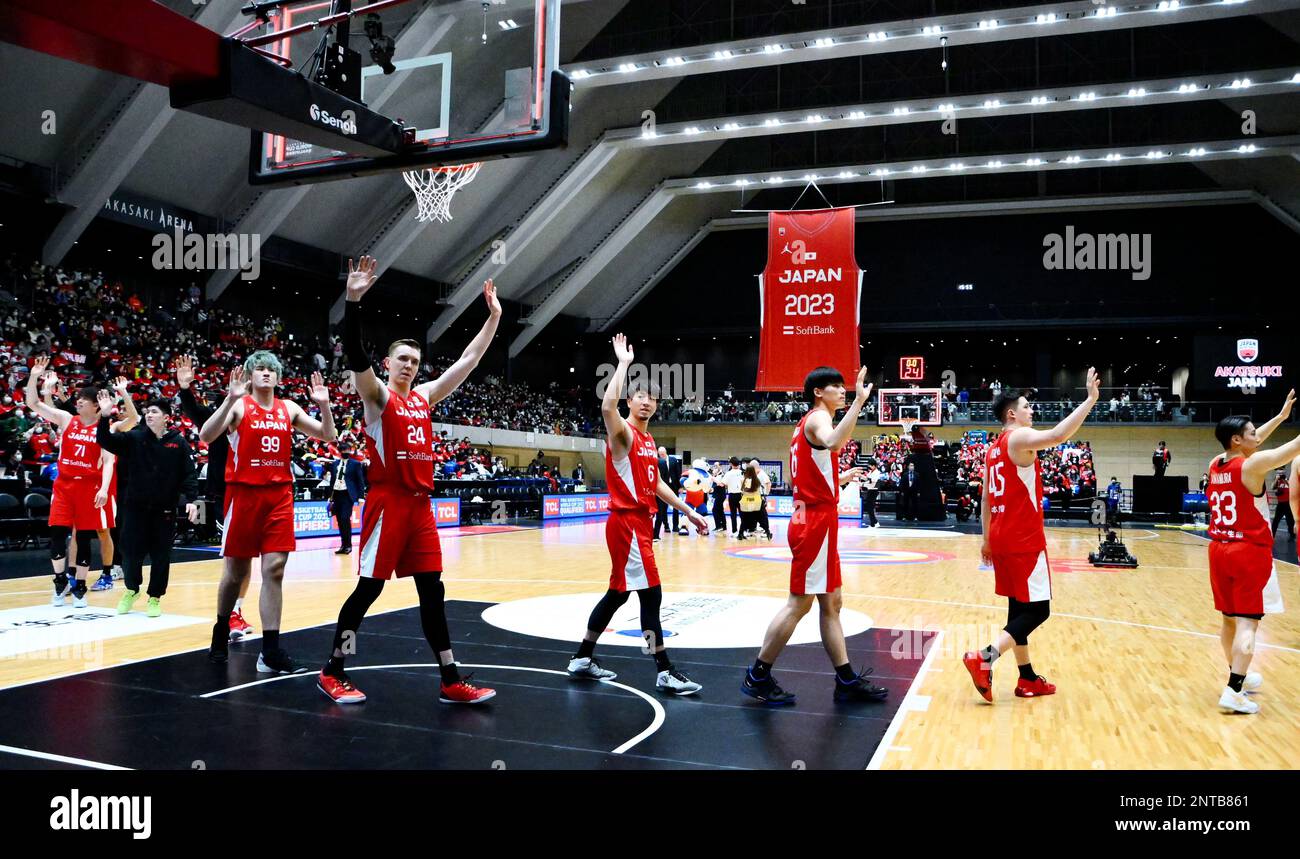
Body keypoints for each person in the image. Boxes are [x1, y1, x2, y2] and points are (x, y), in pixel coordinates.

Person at [318, 256, 499, 705]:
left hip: (420, 507)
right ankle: (332, 669)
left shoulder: (423, 396)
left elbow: (470, 359)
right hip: (388, 502)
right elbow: (356, 355)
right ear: (388, 362)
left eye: (416, 361)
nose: (410, 366)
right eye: (402, 359)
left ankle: (450, 676)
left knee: (432, 590)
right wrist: (354, 300)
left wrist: (493, 316)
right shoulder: (377, 397)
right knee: (369, 588)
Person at [564, 334, 709, 695]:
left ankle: (582, 657)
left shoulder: (647, 442)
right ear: (630, 400)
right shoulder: (624, 434)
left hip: (639, 524)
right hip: (627, 523)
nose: (647, 403)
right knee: (651, 595)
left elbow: (657, 482)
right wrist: (624, 364)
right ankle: (664, 669)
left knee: (618, 595)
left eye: (653, 399)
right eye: (641, 396)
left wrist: (688, 511)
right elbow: (606, 409)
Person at [741, 365, 884, 706]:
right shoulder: (819, 419)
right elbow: (834, 441)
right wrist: (860, 402)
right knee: (799, 603)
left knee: (832, 602)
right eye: (836, 386)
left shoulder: (808, 424)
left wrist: (840, 478)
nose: (842, 390)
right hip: (814, 522)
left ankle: (846, 679)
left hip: (818, 517)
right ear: (818, 392)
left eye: (843, 387)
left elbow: (815, 464)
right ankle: (757, 675)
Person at [962, 371, 1100, 703]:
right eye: (1026, 406)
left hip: (1000, 536)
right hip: (1023, 539)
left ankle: (1027, 679)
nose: (1031, 411)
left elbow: (985, 499)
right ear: (1012, 414)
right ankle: (985, 658)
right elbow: (1058, 435)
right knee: (1038, 611)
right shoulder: (1017, 438)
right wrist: (1091, 399)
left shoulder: (992, 448)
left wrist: (985, 539)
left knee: (1017, 610)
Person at [201, 352, 337, 673]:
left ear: (277, 376)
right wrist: (228, 399)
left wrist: (325, 406)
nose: (265, 374)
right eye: (259, 369)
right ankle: (221, 630)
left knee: (274, 568)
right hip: (243, 496)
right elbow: (206, 436)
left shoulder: (288, 408)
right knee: (235, 573)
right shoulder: (239, 405)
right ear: (249, 375)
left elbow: (328, 435)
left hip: (278, 496)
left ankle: (271, 651)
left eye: (270, 370)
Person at [1204, 391, 1298, 714]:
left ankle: (1238, 674)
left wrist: (1282, 417)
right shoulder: (1253, 465)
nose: (1257, 436)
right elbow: (1287, 451)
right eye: (1252, 432)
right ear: (1236, 439)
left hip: (1217, 550)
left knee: (1229, 622)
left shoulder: (1215, 463)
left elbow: (1255, 445)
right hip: (1247, 551)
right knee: (1248, 624)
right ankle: (1233, 690)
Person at [24, 357, 123, 608]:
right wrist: (34, 376)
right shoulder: (67, 419)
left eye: (84, 400)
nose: (78, 402)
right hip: (65, 485)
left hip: (89, 487)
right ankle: (60, 581)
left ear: (96, 407)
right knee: (57, 532)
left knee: (85, 537)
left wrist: (102, 488)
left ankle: (80, 586)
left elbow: (109, 462)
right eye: (77, 399)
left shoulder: (104, 430)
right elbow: (33, 402)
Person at [96, 392, 200, 617]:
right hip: (135, 509)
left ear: (166, 417)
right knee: (131, 554)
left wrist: (192, 500)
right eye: (147, 412)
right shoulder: (134, 438)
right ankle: (132, 590)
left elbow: (189, 474)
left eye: (154, 412)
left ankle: (154, 598)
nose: (149, 414)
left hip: (164, 511)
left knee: (161, 557)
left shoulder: (178, 442)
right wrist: (104, 417)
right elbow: (105, 441)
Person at [175, 355, 254, 640]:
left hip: (255, 491)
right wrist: (185, 389)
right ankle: (229, 616)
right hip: (226, 492)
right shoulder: (224, 415)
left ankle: (238, 611)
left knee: (248, 559)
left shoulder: (270, 415)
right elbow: (196, 412)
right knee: (235, 558)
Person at [323, 442, 367, 554]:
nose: (345, 452)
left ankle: (348, 545)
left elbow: (360, 481)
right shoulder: (334, 464)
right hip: (336, 494)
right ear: (339, 452)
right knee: (339, 520)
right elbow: (332, 481)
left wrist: (361, 497)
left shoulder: (355, 464)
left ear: (350, 450)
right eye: (343, 451)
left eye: (347, 450)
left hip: (348, 494)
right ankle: (343, 545)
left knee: (344, 518)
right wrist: (330, 497)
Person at [736, 462, 763, 540]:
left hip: (747, 501)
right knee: (753, 518)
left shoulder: (745, 480)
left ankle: (741, 534)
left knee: (744, 518)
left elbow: (745, 491)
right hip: (755, 501)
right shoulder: (757, 480)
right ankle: (748, 531)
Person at [723, 456, 744, 535]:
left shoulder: (728, 473)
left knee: (733, 513)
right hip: (741, 495)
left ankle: (734, 531)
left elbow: (723, 484)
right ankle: (743, 531)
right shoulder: (742, 472)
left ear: (731, 464)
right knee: (742, 513)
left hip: (732, 495)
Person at [1270, 469, 1293, 538]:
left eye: (1281, 474)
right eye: (1279, 474)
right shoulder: (1277, 481)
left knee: (1290, 520)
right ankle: (1272, 534)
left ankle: (1292, 534)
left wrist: (1286, 479)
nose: (1280, 475)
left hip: (1288, 503)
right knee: (1276, 520)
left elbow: (1292, 487)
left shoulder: (1288, 480)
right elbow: (1272, 487)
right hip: (1280, 504)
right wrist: (1276, 479)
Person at [860, 458, 882, 528]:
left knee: (870, 507)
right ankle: (874, 522)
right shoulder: (870, 472)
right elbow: (867, 479)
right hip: (870, 490)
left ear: (874, 465)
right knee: (869, 507)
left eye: (871, 465)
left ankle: (874, 523)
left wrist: (863, 483)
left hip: (874, 491)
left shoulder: (877, 472)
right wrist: (861, 477)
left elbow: (872, 481)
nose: (870, 467)